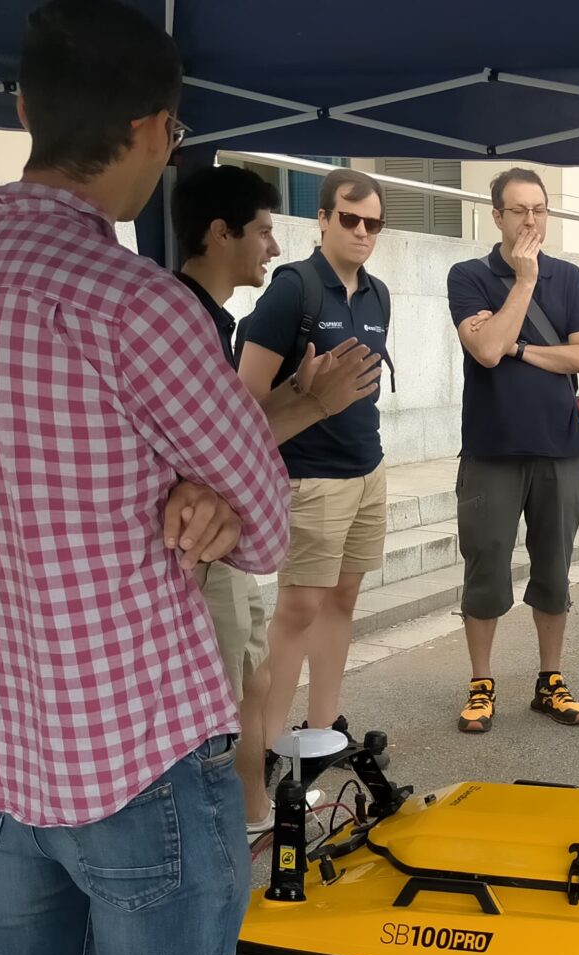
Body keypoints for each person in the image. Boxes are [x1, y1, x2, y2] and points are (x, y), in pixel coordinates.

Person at [0, 2, 350, 955]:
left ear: (26, 108)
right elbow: (266, 526)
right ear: (156, 128)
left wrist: (192, 483)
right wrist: (207, 490)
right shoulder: (133, 303)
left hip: (6, 748)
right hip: (140, 750)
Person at [170, 164, 376, 836]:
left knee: (251, 676)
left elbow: (231, 426)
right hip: (203, 546)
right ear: (219, 233)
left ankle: (257, 810)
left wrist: (305, 397)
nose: (273, 245)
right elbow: (217, 446)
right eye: (262, 230)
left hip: (226, 544)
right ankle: (240, 822)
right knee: (238, 686)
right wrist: (312, 403)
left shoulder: (205, 316)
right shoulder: (184, 319)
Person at [237, 167, 392, 738]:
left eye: (373, 223)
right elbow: (245, 398)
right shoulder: (292, 287)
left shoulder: (379, 294)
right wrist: (304, 391)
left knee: (343, 601)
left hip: (366, 469)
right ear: (322, 218)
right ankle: (270, 742)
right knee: (298, 609)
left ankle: (323, 729)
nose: (361, 232)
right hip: (309, 477)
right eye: (349, 218)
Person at [445, 167, 579, 733]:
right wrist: (525, 283)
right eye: (519, 210)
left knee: (555, 570)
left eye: (539, 209)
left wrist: (522, 348)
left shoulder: (572, 277)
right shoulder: (468, 275)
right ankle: (482, 683)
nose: (531, 220)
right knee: (485, 568)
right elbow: (485, 349)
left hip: (560, 447)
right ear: (497, 216)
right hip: (491, 450)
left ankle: (549, 681)